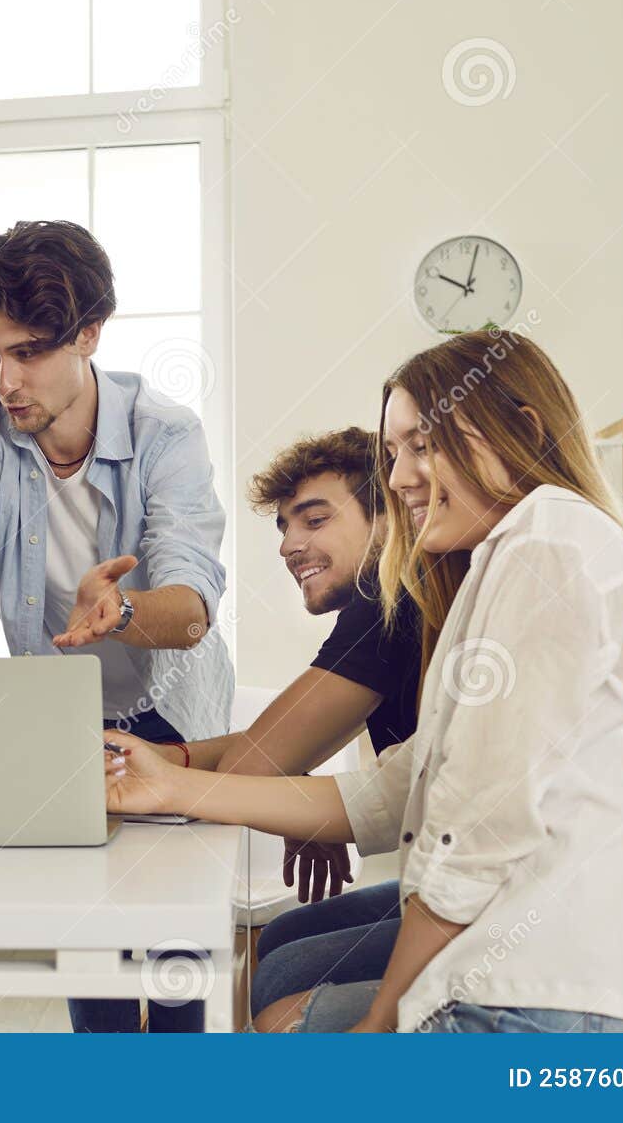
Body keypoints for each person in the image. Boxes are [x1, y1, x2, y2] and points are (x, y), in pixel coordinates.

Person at [108, 329, 623, 1034]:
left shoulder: (545, 554)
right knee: (279, 1004)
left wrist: (383, 1022)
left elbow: (477, 831)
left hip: (594, 991)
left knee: (283, 1020)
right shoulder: (509, 556)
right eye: (393, 453)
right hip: (574, 957)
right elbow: (402, 789)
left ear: (519, 429)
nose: (399, 478)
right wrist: (176, 784)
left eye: (422, 445)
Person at [0, 220, 232, 1032]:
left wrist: (119, 611)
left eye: (28, 352)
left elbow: (189, 607)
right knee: (95, 962)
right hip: (66, 721)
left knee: (171, 965)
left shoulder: (165, 431)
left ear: (89, 334)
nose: (4, 380)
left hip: (174, 719)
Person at [146, 427, 420, 1017]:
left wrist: (172, 770)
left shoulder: (389, 601)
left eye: (314, 521)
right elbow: (284, 745)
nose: (288, 545)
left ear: (386, 516)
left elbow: (256, 762)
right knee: (280, 942)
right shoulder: (398, 598)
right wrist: (180, 757)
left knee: (284, 973)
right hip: (451, 881)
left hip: (491, 902)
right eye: (284, 527)